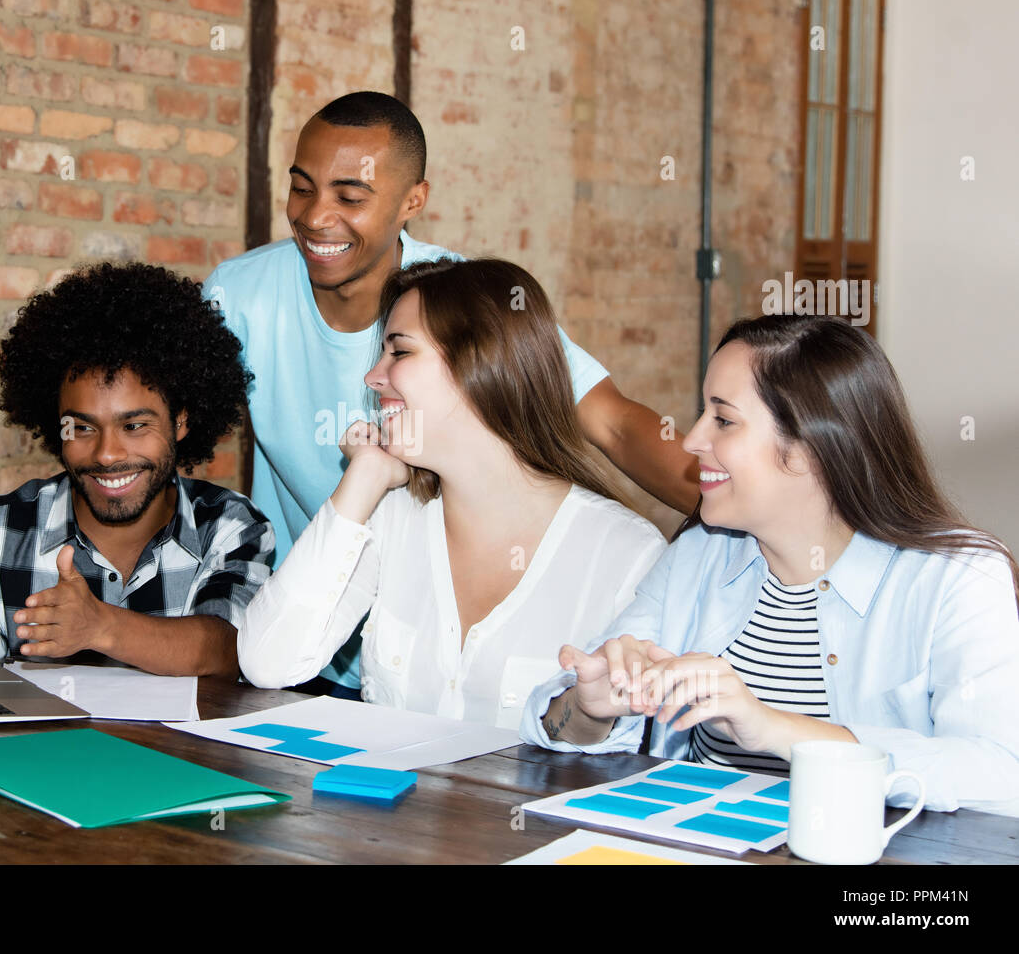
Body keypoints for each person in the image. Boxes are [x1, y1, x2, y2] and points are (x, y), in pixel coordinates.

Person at [206, 90, 698, 694]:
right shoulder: (241, 294)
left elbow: (615, 424)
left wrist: (735, 513)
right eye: (301, 187)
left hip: (401, 638)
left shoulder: (456, 301)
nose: (314, 216)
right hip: (311, 617)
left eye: (350, 196)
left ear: (414, 200)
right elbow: (156, 420)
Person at [524, 313, 1019, 816]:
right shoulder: (701, 552)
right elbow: (559, 728)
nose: (692, 440)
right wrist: (590, 708)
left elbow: (1001, 773)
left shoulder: (958, 578)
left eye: (723, 419)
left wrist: (772, 727)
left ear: (810, 449)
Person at [236, 258, 667, 728]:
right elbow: (267, 662)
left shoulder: (625, 554)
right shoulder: (392, 517)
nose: (373, 378)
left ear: (479, 363)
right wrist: (364, 477)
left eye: (399, 353)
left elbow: (626, 746)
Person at [0, 262, 275, 677]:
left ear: (180, 421)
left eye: (134, 425)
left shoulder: (230, 527)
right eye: (83, 427)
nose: (106, 454)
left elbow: (228, 650)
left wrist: (100, 626)